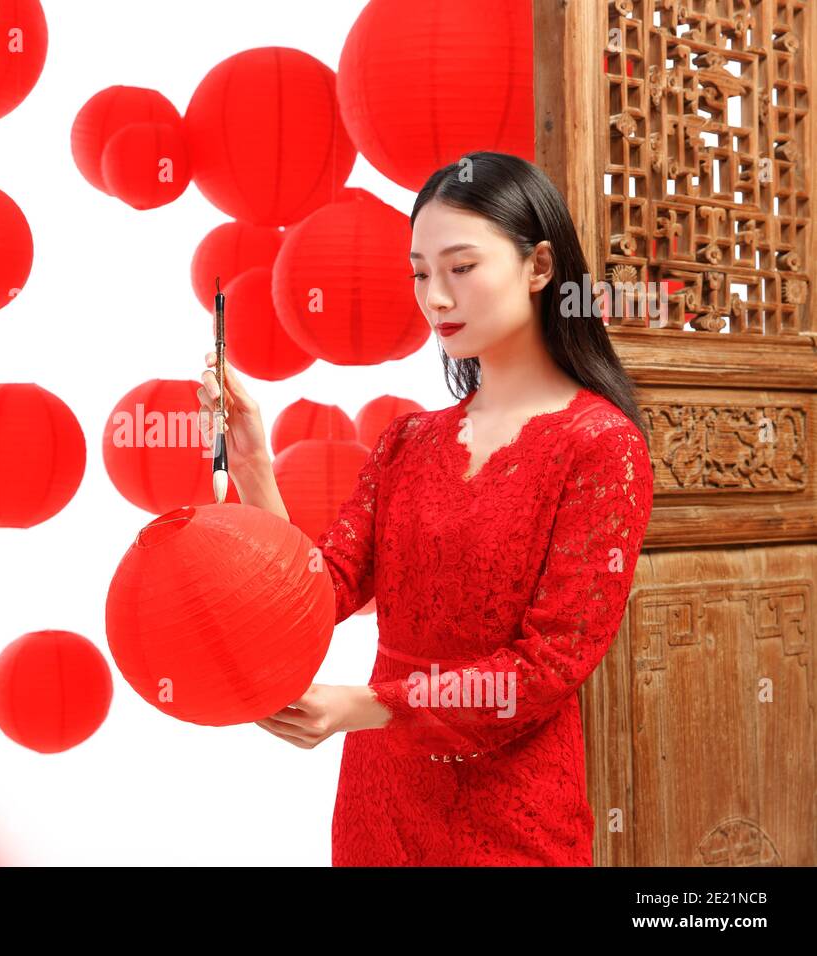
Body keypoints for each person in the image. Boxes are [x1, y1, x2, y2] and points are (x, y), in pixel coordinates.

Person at [196, 151, 655, 866]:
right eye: (419, 273)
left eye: (461, 268)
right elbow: (321, 591)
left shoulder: (601, 448)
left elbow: (547, 669)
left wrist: (366, 707)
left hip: (512, 815)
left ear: (539, 268)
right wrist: (254, 462)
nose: (435, 297)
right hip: (378, 805)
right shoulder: (409, 440)